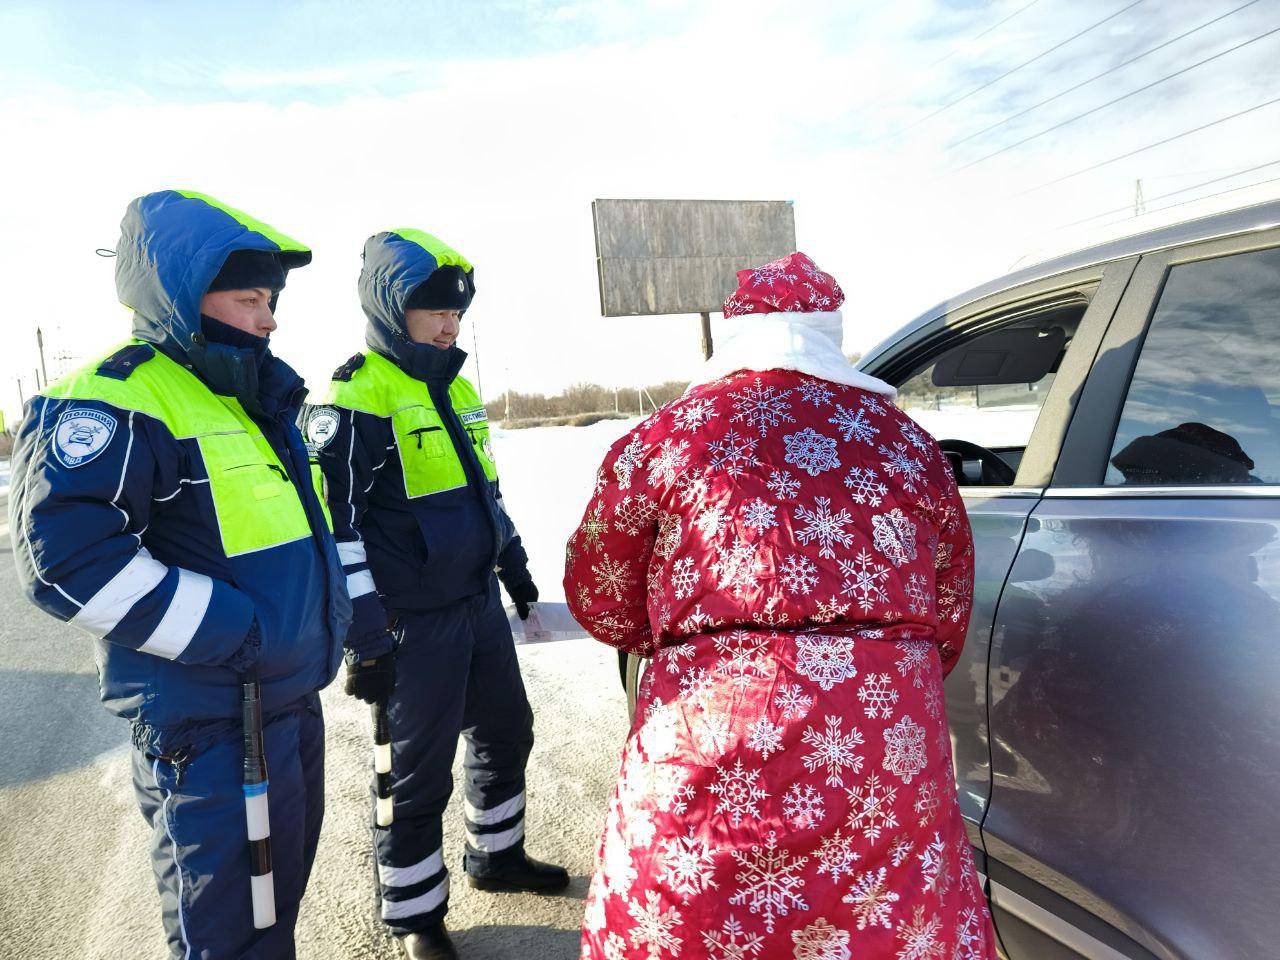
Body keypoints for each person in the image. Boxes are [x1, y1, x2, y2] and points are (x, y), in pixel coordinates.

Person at [565, 253, 998, 959]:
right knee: (887, 923)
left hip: (708, 727)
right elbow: (947, 605)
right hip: (882, 733)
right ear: (831, 333)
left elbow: (602, 592)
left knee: (693, 916)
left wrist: (680, 644)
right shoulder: (908, 445)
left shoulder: (662, 441)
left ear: (734, 332)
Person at [8, 190, 351, 958]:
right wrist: (244, 633)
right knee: (230, 939)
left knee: (274, 925)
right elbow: (65, 561)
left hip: (285, 711)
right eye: (250, 298)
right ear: (183, 294)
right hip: (212, 732)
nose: (269, 318)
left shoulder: (248, 399)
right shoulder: (117, 397)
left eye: (270, 300)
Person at [308, 229, 568, 960]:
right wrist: (365, 635)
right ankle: (416, 913)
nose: (450, 325)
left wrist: (513, 568)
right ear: (394, 309)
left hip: (476, 603)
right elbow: (337, 525)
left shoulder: (455, 386)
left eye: (457, 312)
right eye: (433, 311)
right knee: (414, 776)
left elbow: (485, 492)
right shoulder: (357, 391)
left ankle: (498, 856)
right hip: (408, 622)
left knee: (506, 731)